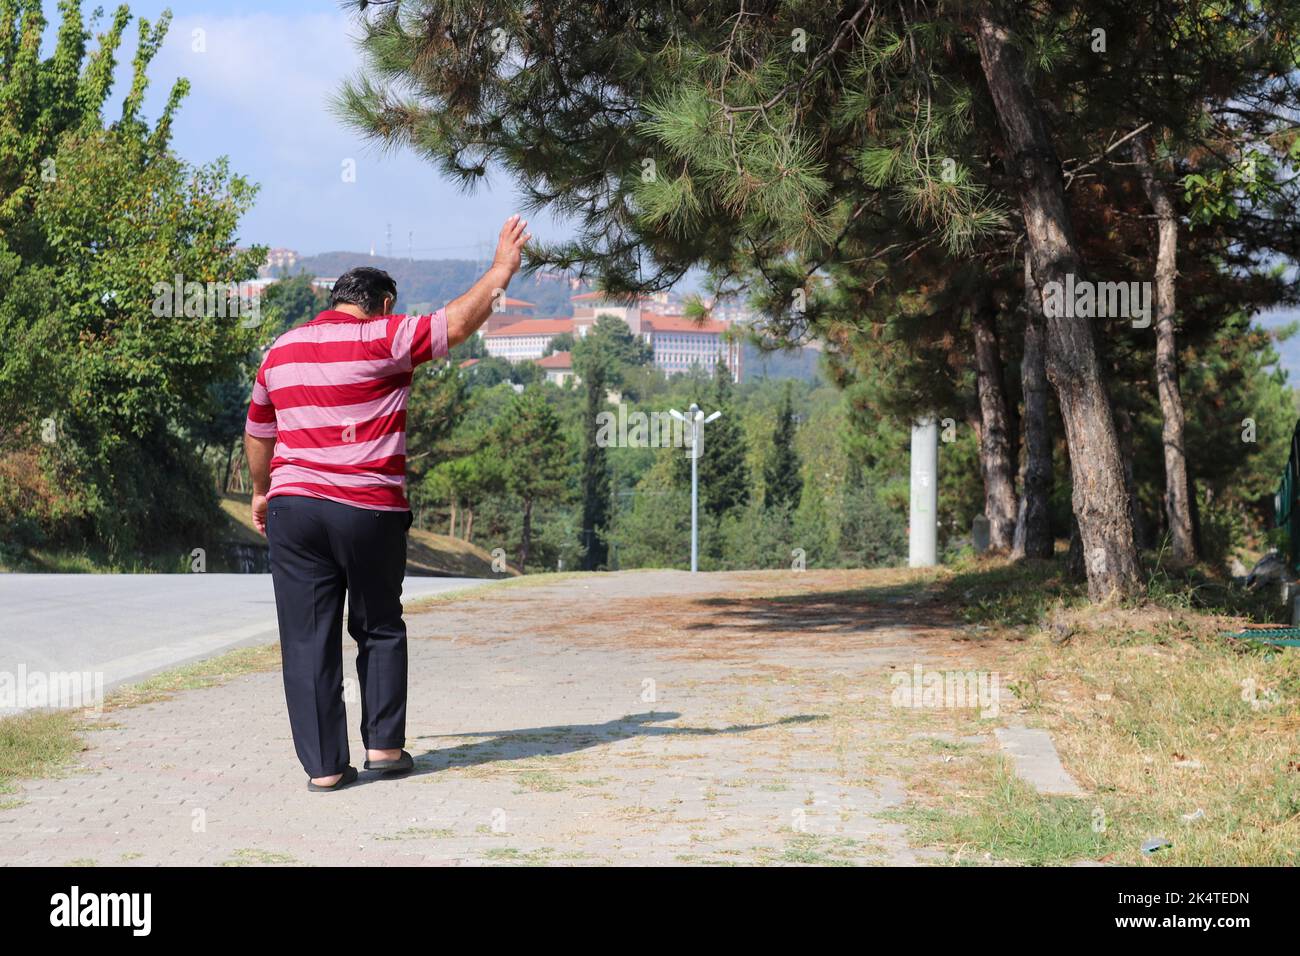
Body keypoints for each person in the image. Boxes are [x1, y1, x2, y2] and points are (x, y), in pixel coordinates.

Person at [243, 215, 531, 791]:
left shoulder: (281, 349)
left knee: (306, 639)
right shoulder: (386, 336)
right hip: (367, 508)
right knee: (377, 626)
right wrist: (501, 269)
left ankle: (325, 769)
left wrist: (260, 490)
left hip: (294, 508)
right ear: (384, 303)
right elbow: (457, 321)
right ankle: (383, 750)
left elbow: (259, 431)